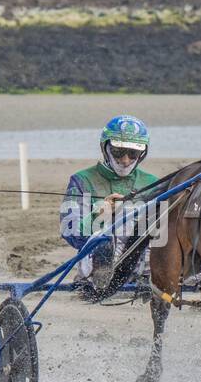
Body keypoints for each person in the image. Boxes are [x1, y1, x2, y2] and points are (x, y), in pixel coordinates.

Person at [59, 115, 157, 288]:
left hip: (145, 266)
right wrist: (99, 214)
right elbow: (70, 232)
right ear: (105, 148)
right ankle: (103, 281)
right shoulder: (81, 180)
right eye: (118, 152)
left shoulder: (153, 183)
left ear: (142, 153)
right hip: (96, 267)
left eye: (133, 153)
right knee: (103, 240)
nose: (125, 160)